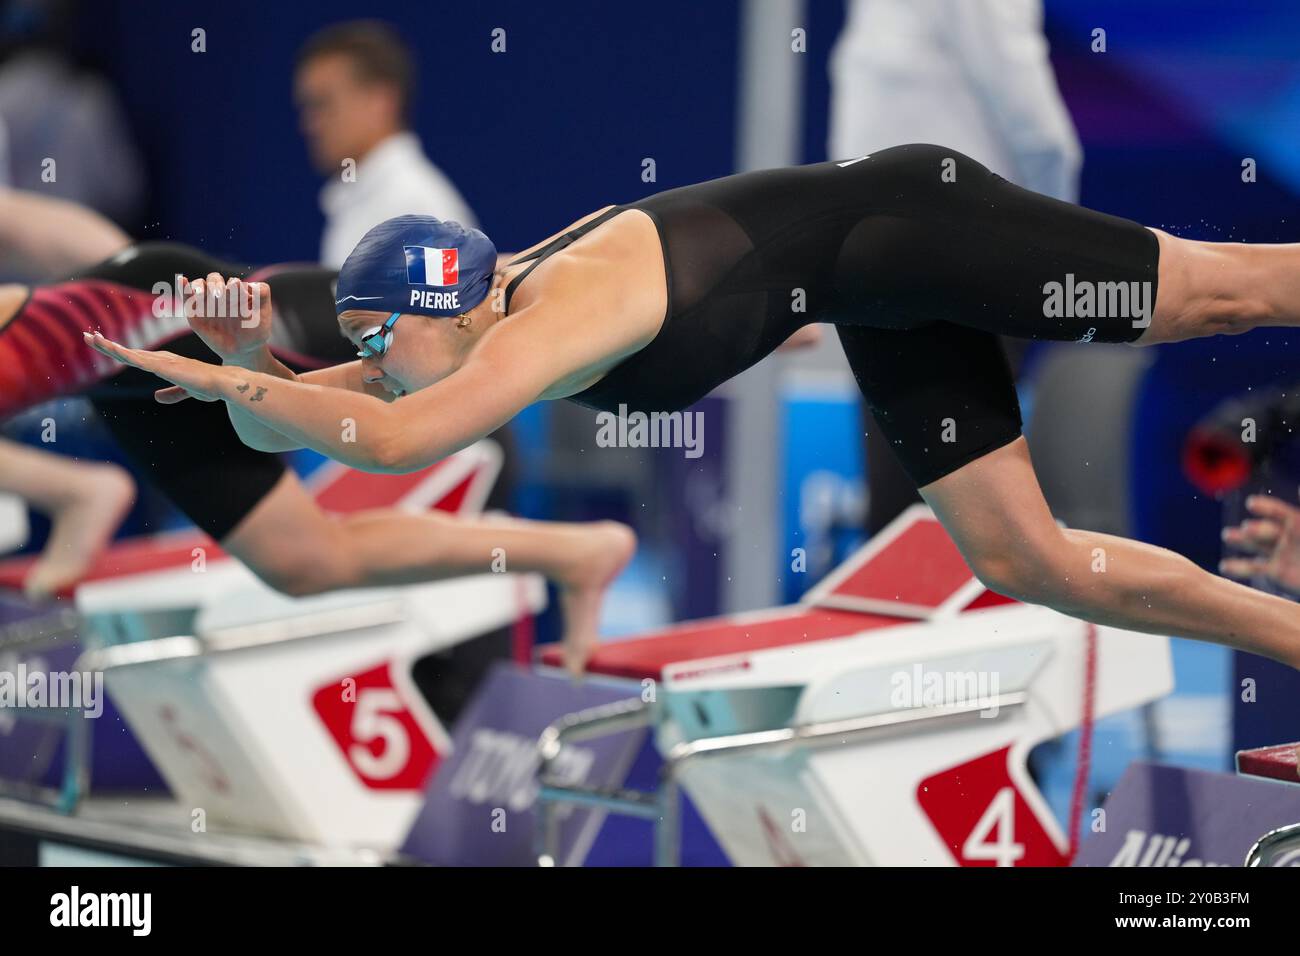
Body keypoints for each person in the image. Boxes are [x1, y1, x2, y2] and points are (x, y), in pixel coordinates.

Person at [88, 145, 1300, 671]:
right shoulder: (448, 337)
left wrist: (247, 379)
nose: (369, 363)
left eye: (372, 339)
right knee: (1023, 557)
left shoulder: (549, 313)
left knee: (1213, 291)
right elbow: (286, 429)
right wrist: (254, 361)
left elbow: (398, 440)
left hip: (910, 221)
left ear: (442, 303)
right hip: (875, 293)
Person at [0, 190, 634, 674]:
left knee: (451, 356)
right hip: (132, 380)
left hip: (187, 315)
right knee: (299, 563)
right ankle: (573, 553)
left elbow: (25, 230)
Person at [829, 0, 1086, 535]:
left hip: (919, 252)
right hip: (924, 253)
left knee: (932, 496)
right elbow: (1036, 127)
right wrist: (1059, 228)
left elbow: (1030, 118)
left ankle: (928, 611)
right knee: (921, 499)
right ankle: (916, 612)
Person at [294, 20, 476, 269]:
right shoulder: (363, 200)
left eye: (323, 104)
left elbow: (450, 307)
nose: (310, 124)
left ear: (380, 101)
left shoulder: (415, 208)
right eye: (307, 107)